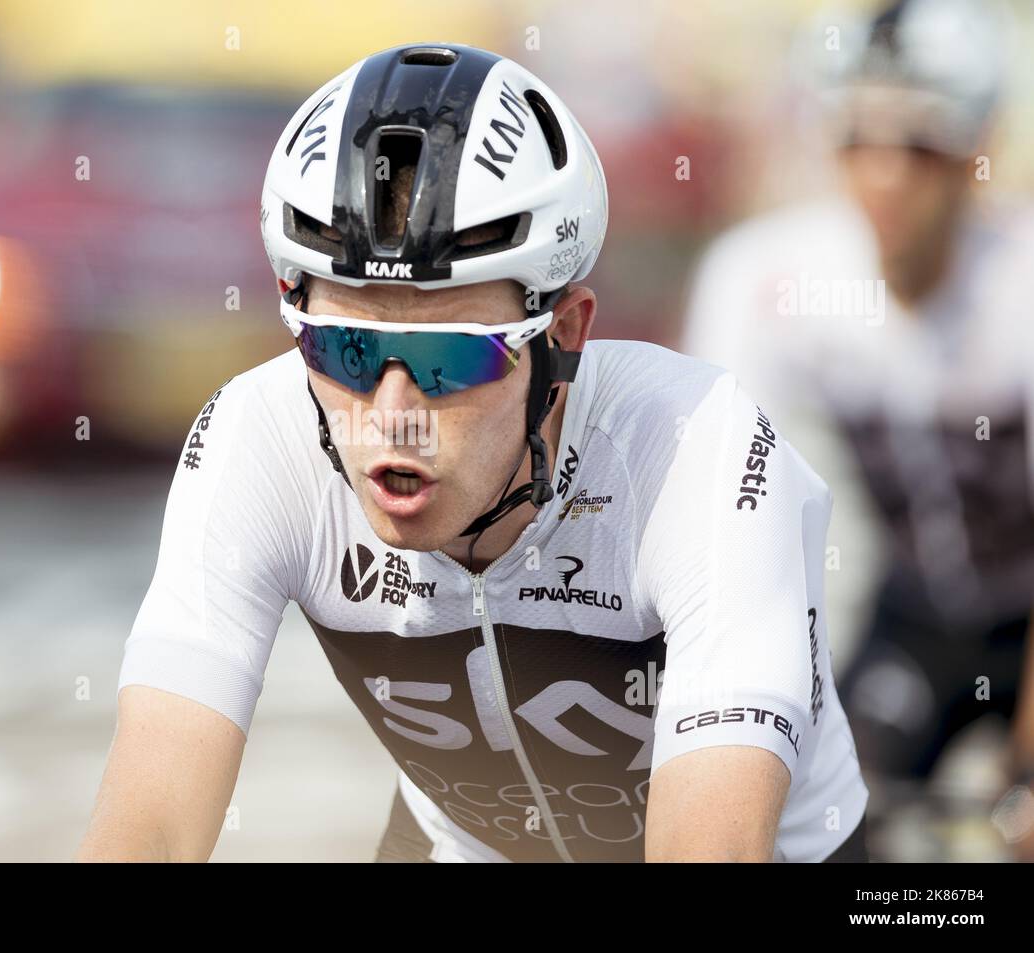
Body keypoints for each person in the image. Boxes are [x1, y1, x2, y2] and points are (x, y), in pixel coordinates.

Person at [78, 42, 868, 863]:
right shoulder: (256, 437)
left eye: (446, 358)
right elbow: (152, 831)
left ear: (563, 338)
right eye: (344, 347)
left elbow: (711, 851)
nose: (391, 418)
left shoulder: (696, 445)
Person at [682, 0, 1034, 858]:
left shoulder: (1020, 285)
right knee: (820, 818)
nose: (885, 174)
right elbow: (715, 519)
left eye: (920, 144)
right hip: (915, 616)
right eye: (857, 139)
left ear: (974, 151)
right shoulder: (769, 275)